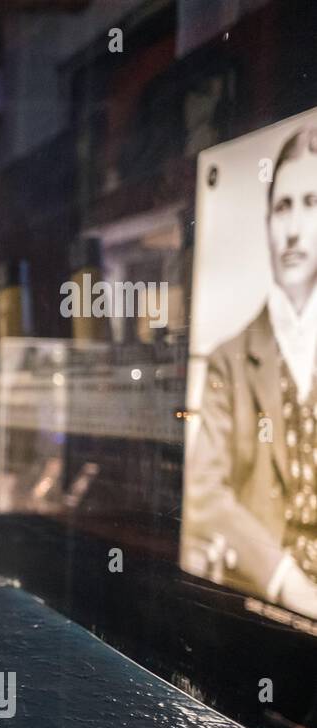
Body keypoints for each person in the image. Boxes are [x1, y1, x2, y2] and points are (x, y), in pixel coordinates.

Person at [185, 126, 317, 618]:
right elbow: (203, 495)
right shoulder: (230, 357)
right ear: (267, 223)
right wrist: (286, 582)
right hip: (264, 606)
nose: (295, 227)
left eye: (310, 202)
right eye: (283, 207)